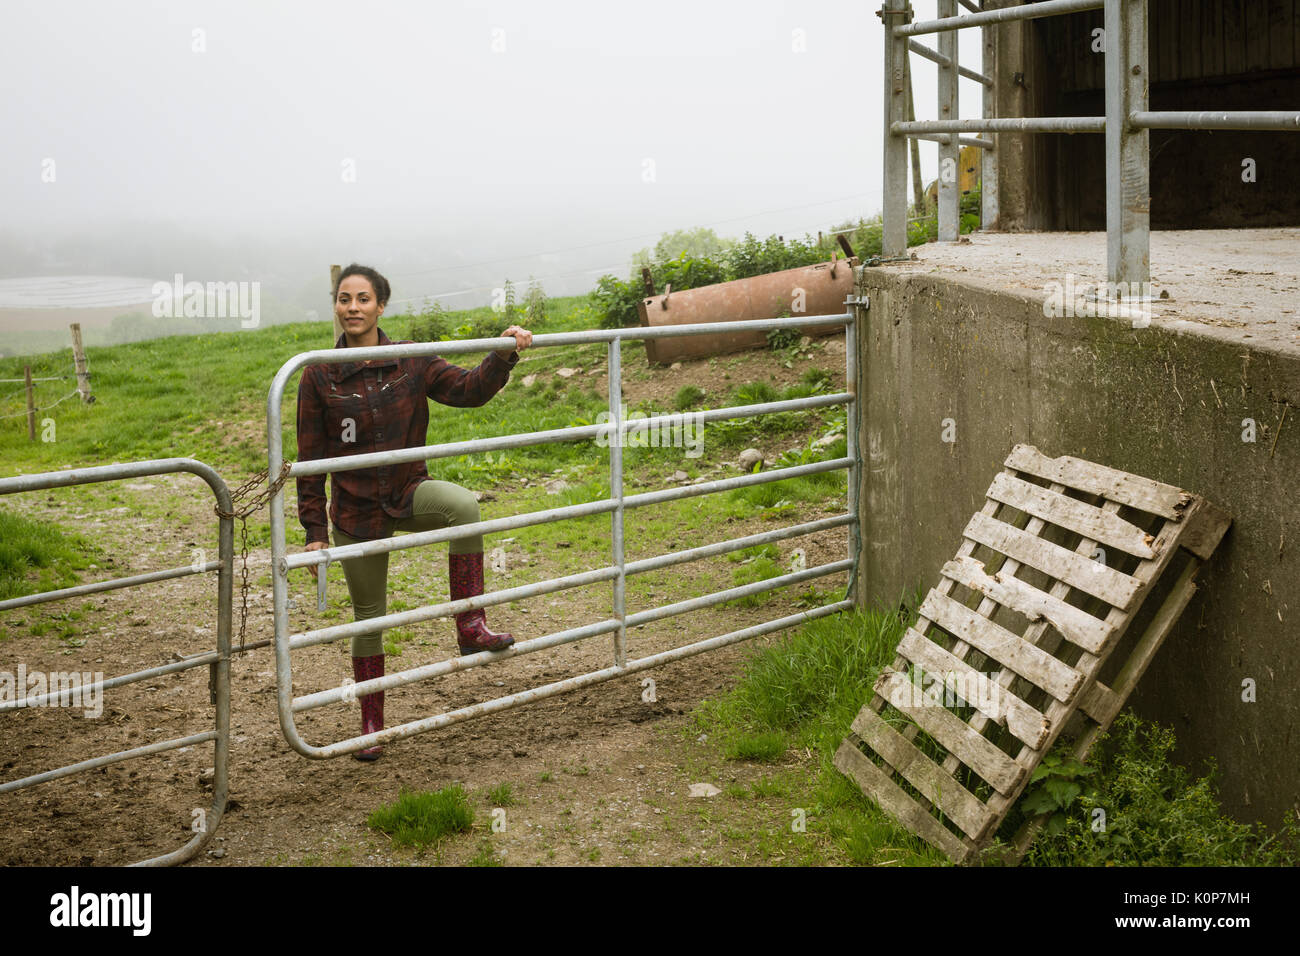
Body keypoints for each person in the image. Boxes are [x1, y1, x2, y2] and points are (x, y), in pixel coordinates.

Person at [296, 263, 531, 761]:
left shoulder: (411, 361)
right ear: (336, 306)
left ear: (381, 306)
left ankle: (470, 626)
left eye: (363, 299)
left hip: (408, 491)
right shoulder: (318, 373)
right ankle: (371, 722)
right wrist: (315, 528)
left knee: (464, 507)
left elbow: (468, 390)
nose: (352, 308)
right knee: (368, 618)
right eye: (344, 299)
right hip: (355, 512)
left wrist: (503, 354)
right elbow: (311, 455)